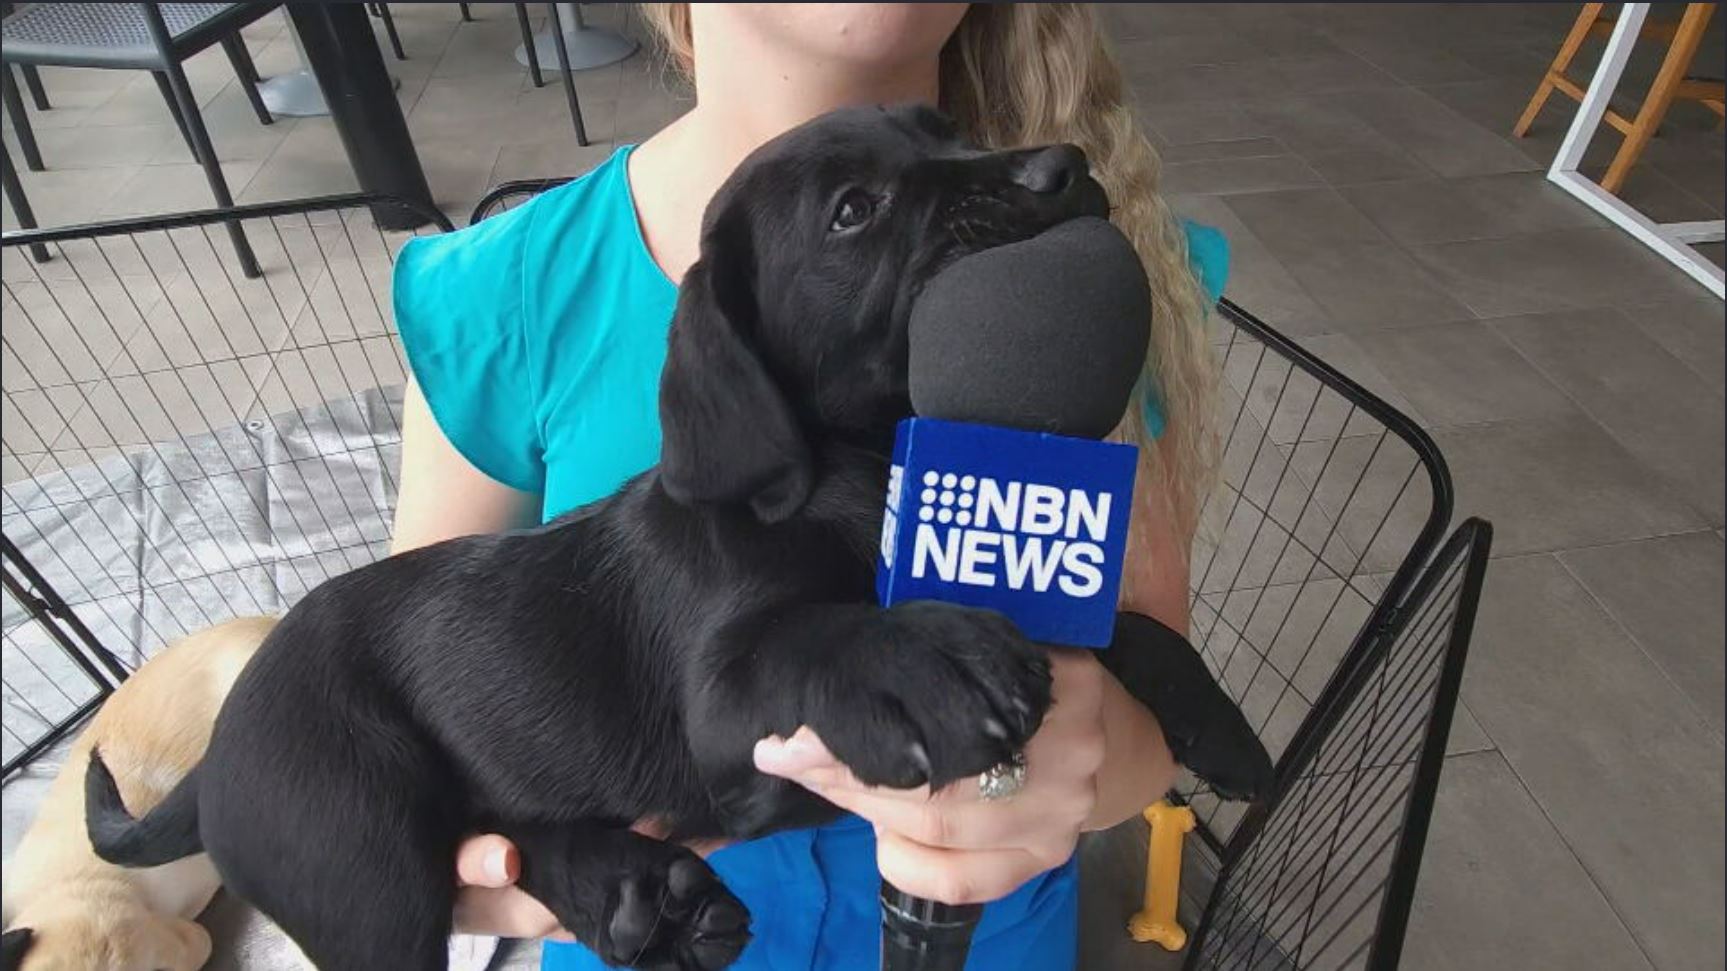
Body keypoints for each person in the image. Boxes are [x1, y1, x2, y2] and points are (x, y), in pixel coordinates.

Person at [389, 5, 1229, 969]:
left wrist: (1072, 757)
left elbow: (1152, 726)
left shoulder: (1099, 282)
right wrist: (476, 874)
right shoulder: (505, 298)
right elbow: (429, 722)